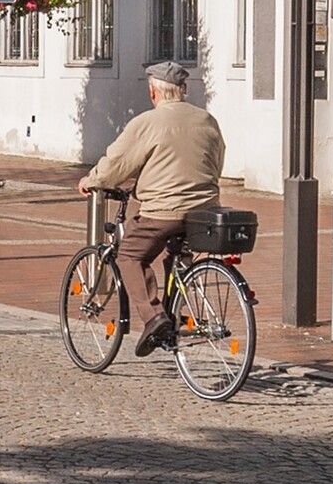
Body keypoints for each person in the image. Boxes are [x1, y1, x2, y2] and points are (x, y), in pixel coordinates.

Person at [78, 61, 225, 357]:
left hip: (163, 211)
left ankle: (155, 317)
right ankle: (176, 306)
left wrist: (91, 180)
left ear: (153, 92)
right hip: (204, 210)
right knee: (175, 253)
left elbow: (118, 163)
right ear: (183, 90)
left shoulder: (147, 123)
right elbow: (217, 159)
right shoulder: (206, 119)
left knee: (130, 255)